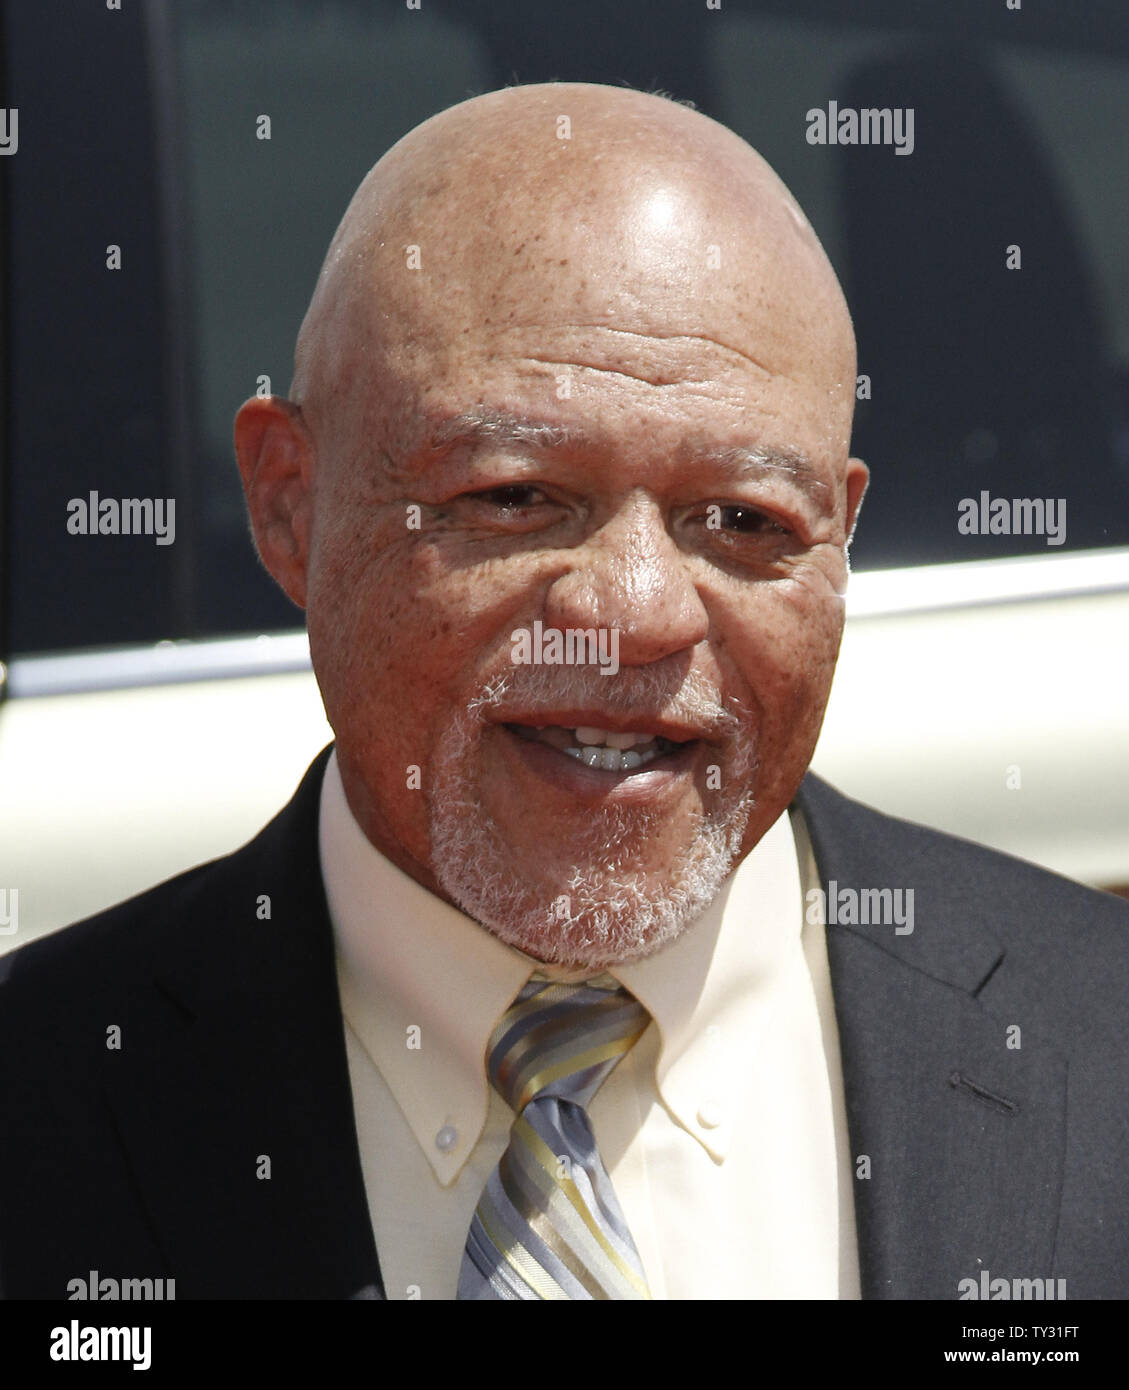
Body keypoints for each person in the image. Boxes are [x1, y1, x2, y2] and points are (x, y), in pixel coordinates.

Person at [2, 83, 1126, 1301]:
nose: (639, 612)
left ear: (840, 540)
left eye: (740, 520)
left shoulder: (1097, 1052)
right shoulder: (45, 1100)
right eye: (516, 496)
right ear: (290, 503)